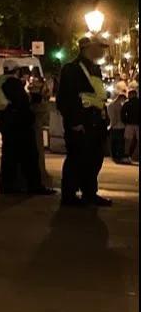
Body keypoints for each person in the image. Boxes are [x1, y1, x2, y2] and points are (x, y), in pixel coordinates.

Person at [56, 37, 112, 207]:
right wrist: (74, 121)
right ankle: (69, 195)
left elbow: (98, 96)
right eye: (99, 47)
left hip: (96, 122)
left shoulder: (95, 69)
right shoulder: (71, 69)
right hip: (80, 123)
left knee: (94, 159)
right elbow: (66, 98)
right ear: (87, 48)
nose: (102, 51)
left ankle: (90, 193)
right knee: (76, 159)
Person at [0, 65, 56, 195]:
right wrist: (34, 98)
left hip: (7, 120)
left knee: (9, 156)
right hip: (18, 122)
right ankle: (32, 185)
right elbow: (21, 100)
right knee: (29, 156)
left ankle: (9, 184)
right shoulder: (12, 83)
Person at [107, 87, 127, 163]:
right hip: (118, 126)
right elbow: (114, 117)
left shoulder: (111, 105)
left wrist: (111, 126)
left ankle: (115, 157)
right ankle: (117, 157)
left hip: (115, 126)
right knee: (119, 143)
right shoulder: (118, 105)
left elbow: (112, 117)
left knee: (115, 143)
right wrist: (112, 125)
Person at [122, 86, 139, 164]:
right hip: (138, 124)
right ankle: (135, 156)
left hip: (129, 124)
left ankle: (126, 156)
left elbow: (122, 113)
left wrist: (125, 122)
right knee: (137, 140)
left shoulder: (127, 103)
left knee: (128, 140)